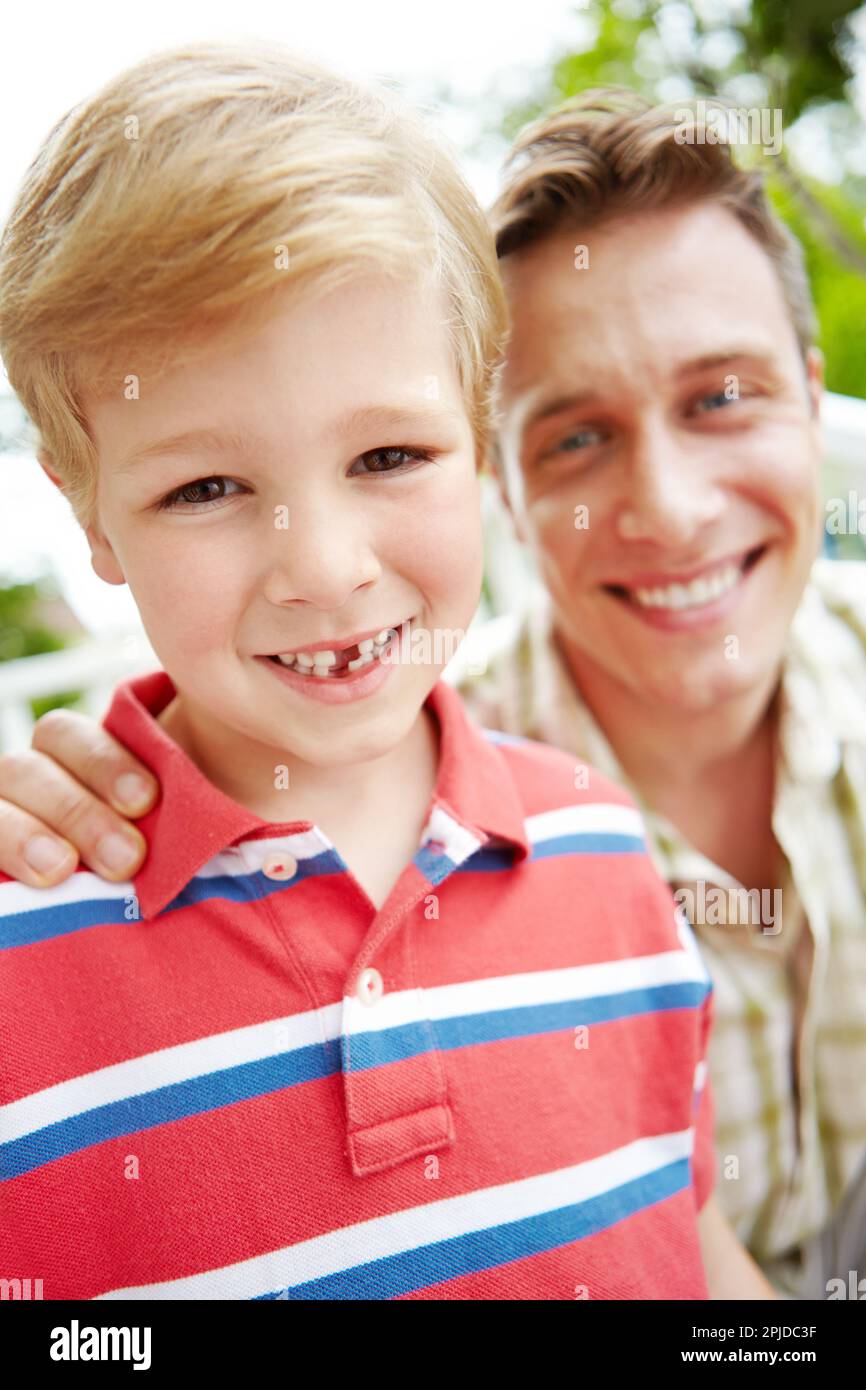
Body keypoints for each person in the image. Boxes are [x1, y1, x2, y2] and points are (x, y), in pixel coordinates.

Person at [0, 43, 774, 1301]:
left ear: (477, 434)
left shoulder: (603, 845)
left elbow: (689, 1250)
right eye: (205, 487)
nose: (325, 567)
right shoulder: (23, 937)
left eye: (389, 456)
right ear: (89, 514)